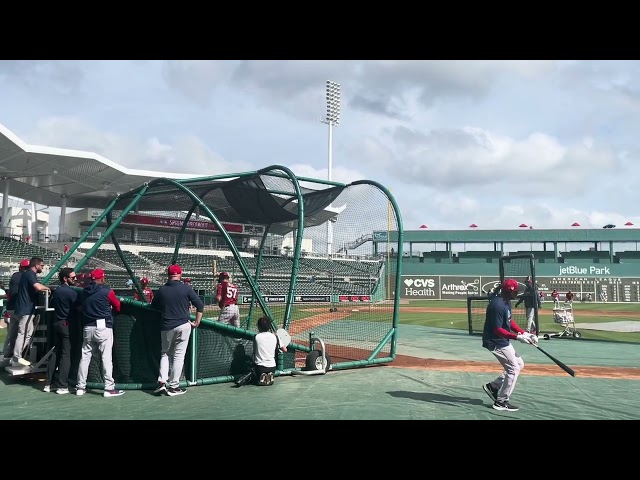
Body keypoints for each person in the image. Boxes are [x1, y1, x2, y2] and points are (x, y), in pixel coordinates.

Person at [481, 278, 537, 412]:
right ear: (508, 291)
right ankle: (501, 401)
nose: (517, 294)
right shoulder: (497, 305)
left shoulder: (506, 302)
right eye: (516, 291)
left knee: (519, 364)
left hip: (502, 340)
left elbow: (509, 321)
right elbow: (497, 330)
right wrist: (517, 337)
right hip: (494, 341)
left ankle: (494, 386)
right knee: (513, 369)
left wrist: (524, 333)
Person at [151, 264, 204, 397]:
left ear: (168, 275)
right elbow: (200, 305)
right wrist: (197, 322)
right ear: (180, 275)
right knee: (178, 356)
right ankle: (174, 386)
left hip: (167, 325)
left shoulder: (162, 290)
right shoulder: (186, 288)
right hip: (184, 325)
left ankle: (162, 382)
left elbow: (154, 306)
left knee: (165, 354)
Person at [75, 268, 124, 397]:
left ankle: (80, 386)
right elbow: (118, 306)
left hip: (88, 327)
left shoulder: (85, 291)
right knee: (106, 357)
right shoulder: (107, 291)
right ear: (101, 278)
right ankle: (109, 388)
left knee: (85, 358)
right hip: (103, 326)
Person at [10, 257, 51, 367]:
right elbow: (37, 287)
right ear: (36, 265)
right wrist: (48, 288)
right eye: (41, 265)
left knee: (27, 333)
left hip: (24, 308)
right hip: (26, 309)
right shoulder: (29, 274)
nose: (42, 267)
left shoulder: (27, 274)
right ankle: (16, 357)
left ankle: (17, 356)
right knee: (23, 333)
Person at [44, 267, 78, 394]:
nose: (75, 279)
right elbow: (78, 307)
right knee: (66, 354)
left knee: (56, 352)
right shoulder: (70, 292)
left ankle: (49, 383)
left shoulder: (57, 291)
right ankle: (62, 385)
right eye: (73, 277)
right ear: (65, 278)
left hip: (56, 323)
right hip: (66, 324)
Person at [234, 316, 287, 387]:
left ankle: (258, 377)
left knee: (250, 366)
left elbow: (255, 351)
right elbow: (285, 349)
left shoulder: (256, 337)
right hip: (272, 367)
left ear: (259, 327)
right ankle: (268, 376)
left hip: (260, 367)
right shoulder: (275, 337)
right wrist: (277, 337)